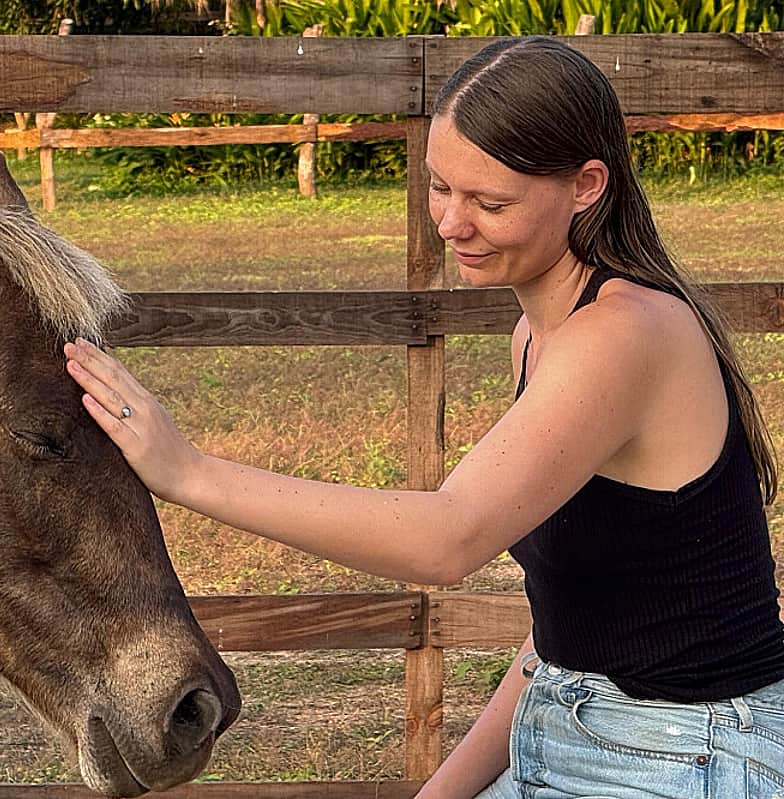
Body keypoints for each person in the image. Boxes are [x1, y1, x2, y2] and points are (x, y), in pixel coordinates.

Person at [64, 36, 784, 798]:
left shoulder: (624, 333)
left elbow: (447, 539)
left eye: (490, 202)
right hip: (571, 723)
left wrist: (190, 471)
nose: (450, 224)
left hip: (688, 751)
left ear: (586, 184)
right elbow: (567, 630)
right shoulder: (541, 336)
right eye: (440, 187)